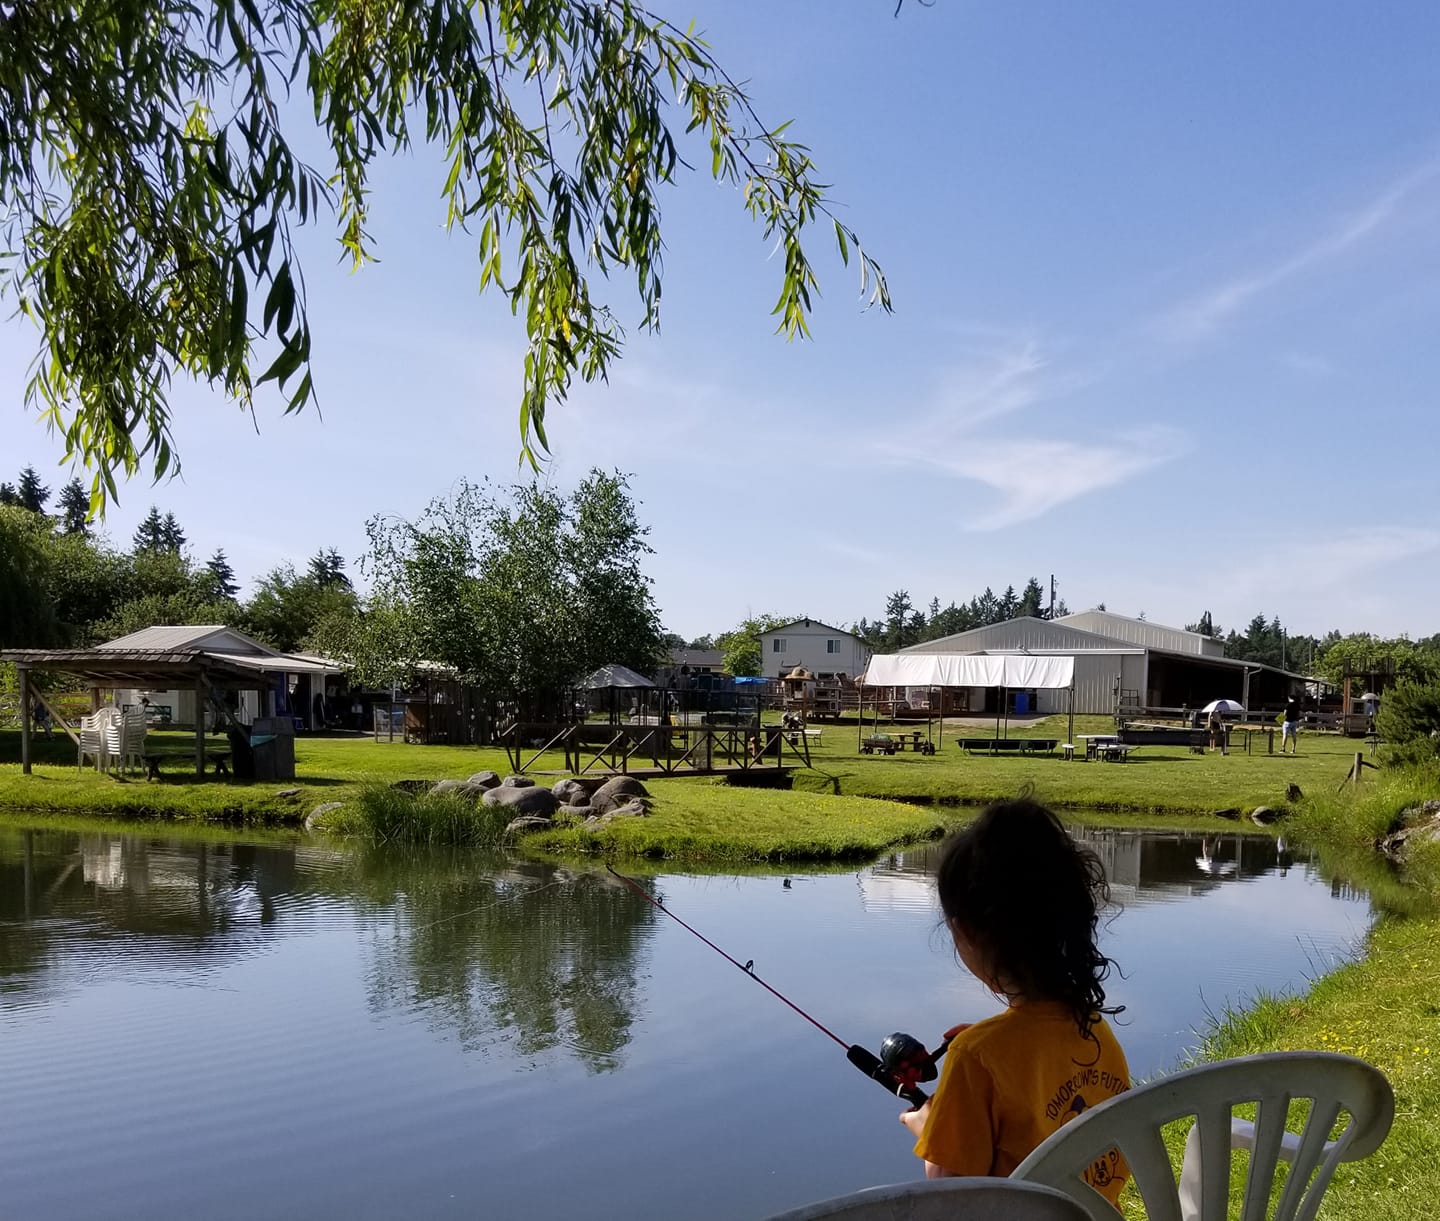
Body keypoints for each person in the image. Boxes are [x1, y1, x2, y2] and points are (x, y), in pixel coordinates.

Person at [899, 799, 1131, 1207]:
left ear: (964, 932)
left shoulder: (975, 1056)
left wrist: (927, 1126)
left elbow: (948, 1191)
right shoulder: (1094, 1026)